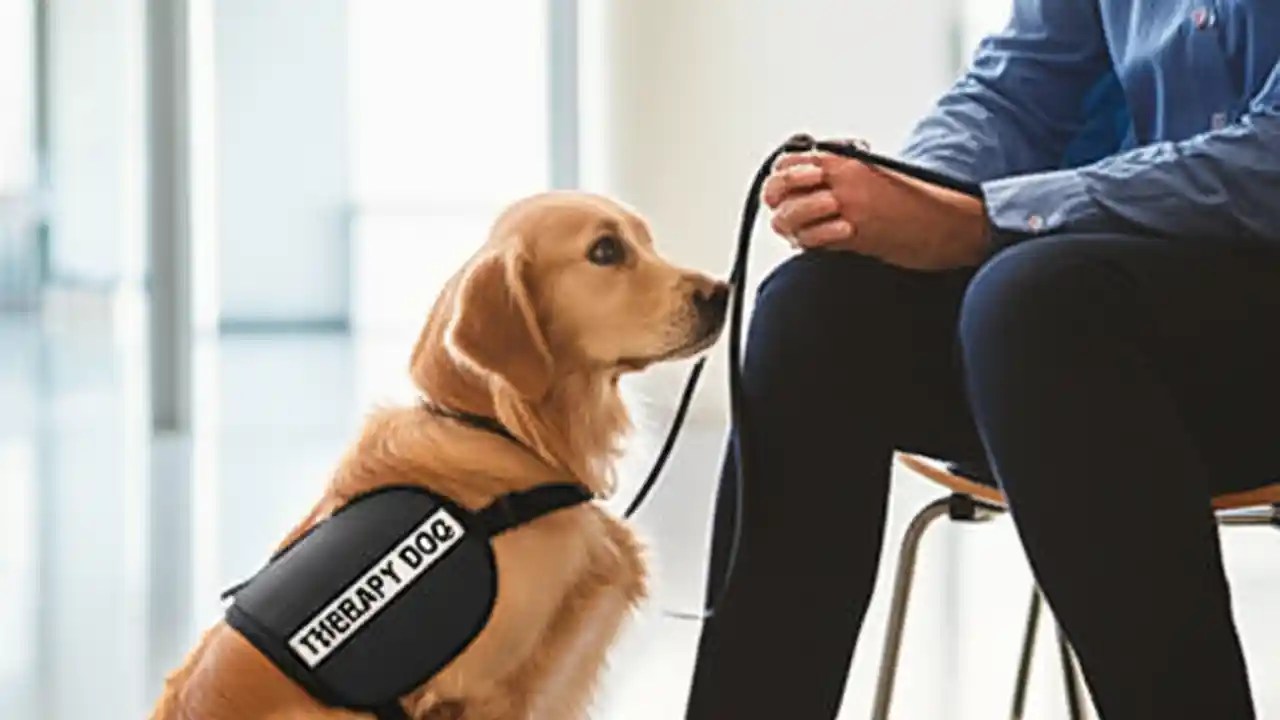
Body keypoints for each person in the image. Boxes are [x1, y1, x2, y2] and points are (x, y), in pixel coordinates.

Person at [684, 0, 1280, 718]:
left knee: (1034, 303)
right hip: (1110, 335)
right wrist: (896, 198)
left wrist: (974, 223)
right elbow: (1015, 91)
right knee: (821, 303)